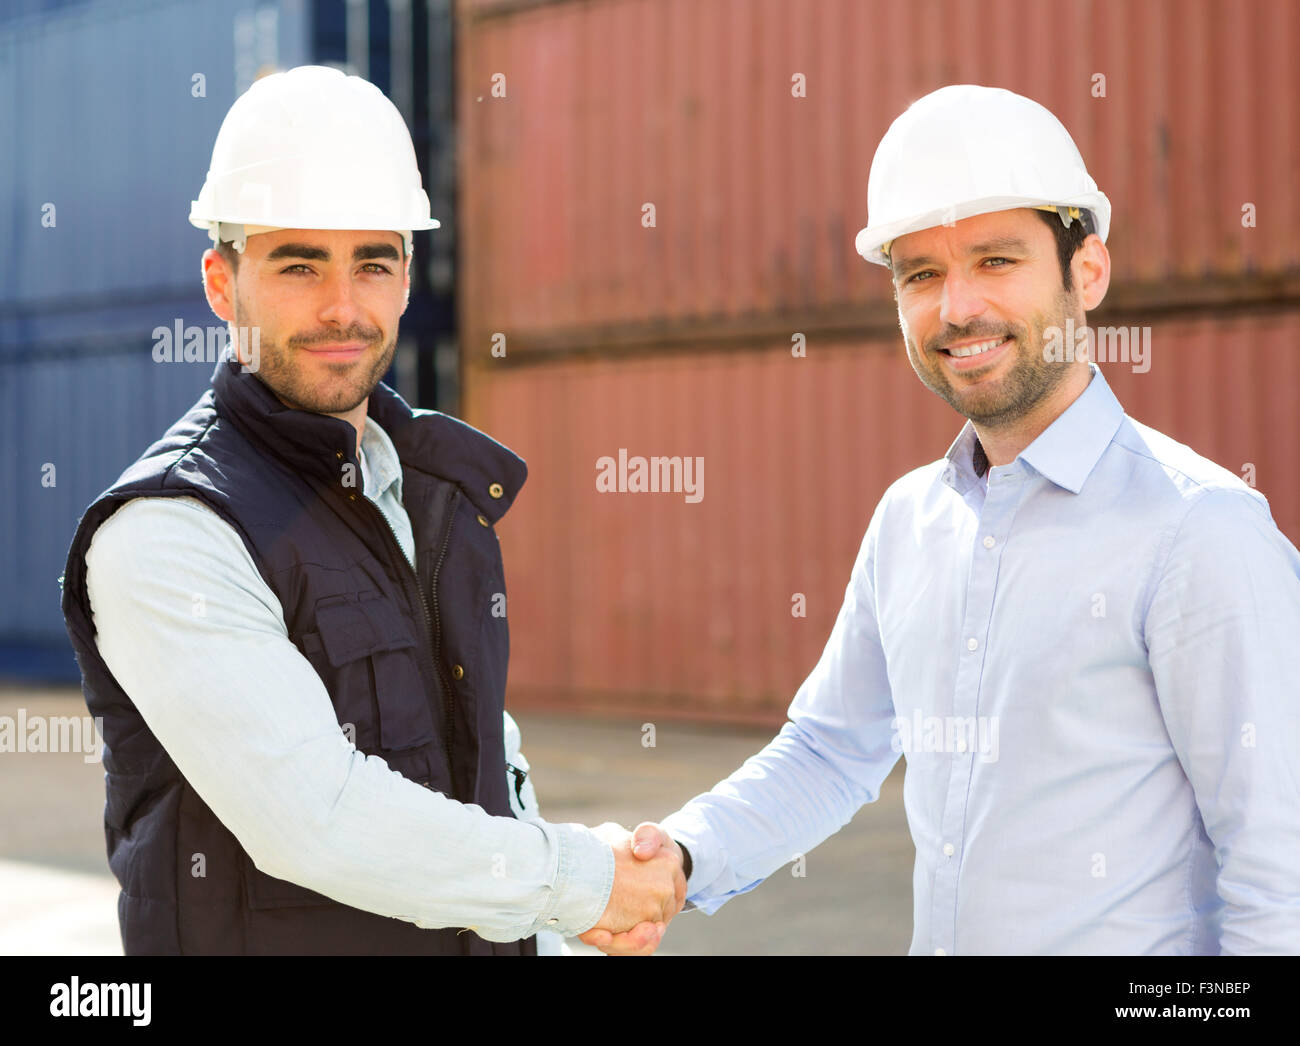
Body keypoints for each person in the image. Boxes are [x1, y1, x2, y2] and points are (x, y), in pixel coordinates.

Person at [588, 84, 1300, 956]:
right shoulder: (907, 522)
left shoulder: (1203, 533)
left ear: (1088, 273)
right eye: (921, 274)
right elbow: (830, 751)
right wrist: (680, 858)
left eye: (996, 261)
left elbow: (1279, 873)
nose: (957, 308)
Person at [60, 65, 683, 955]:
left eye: (372, 263)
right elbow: (317, 815)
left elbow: (488, 764)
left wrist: (559, 924)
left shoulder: (424, 490)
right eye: (299, 264)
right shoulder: (169, 529)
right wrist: (584, 881)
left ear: (405, 279)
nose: (342, 306)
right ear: (220, 284)